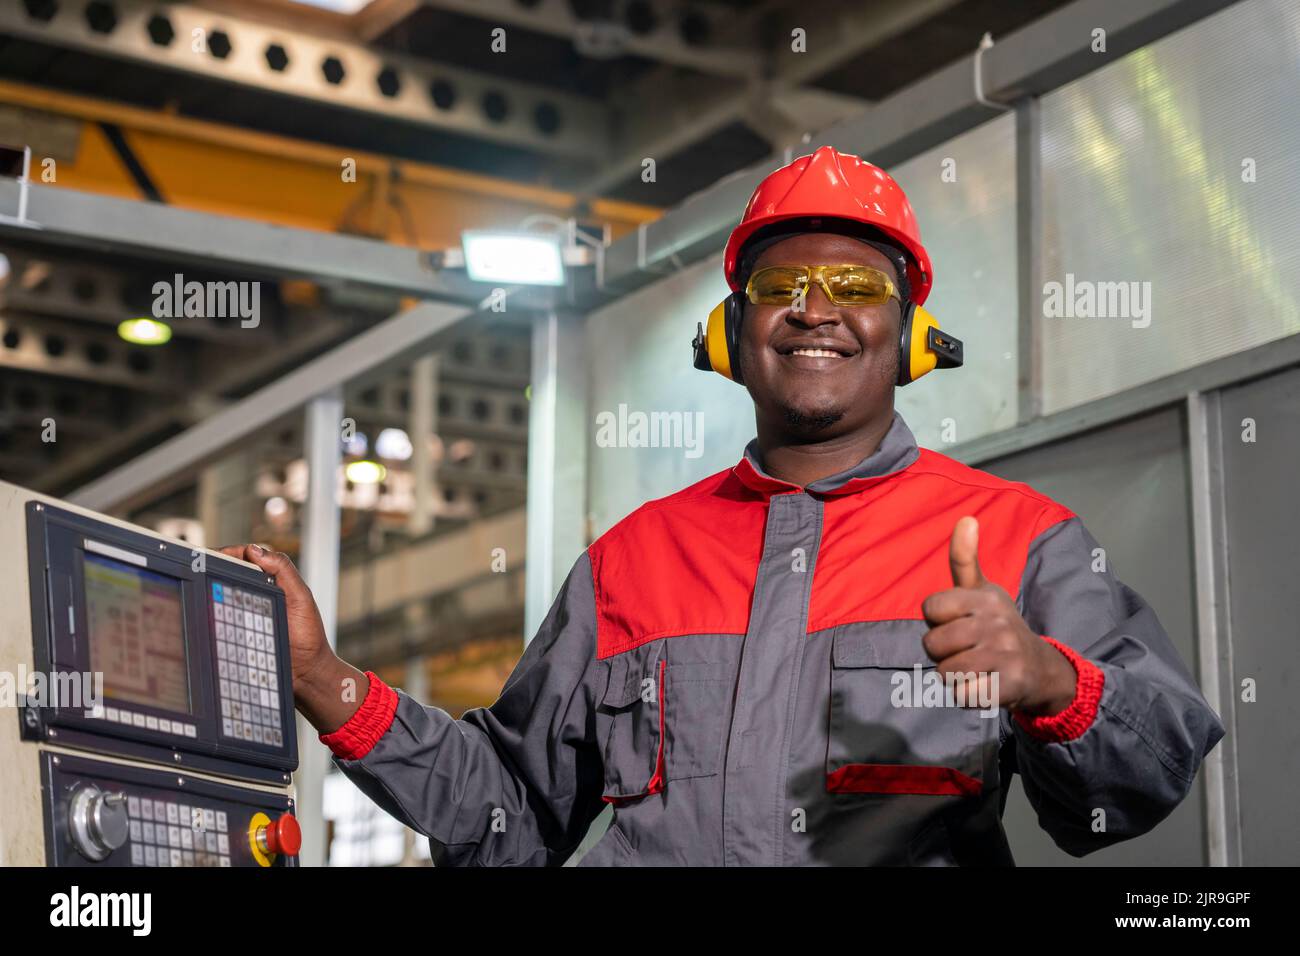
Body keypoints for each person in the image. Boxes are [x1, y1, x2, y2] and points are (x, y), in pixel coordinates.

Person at [225, 146, 1223, 865]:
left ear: (911, 336)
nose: (814, 307)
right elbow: (511, 817)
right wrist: (324, 678)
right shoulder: (630, 561)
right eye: (780, 282)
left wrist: (1054, 681)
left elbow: (1135, 787)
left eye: (854, 283)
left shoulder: (1014, 536)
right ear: (728, 332)